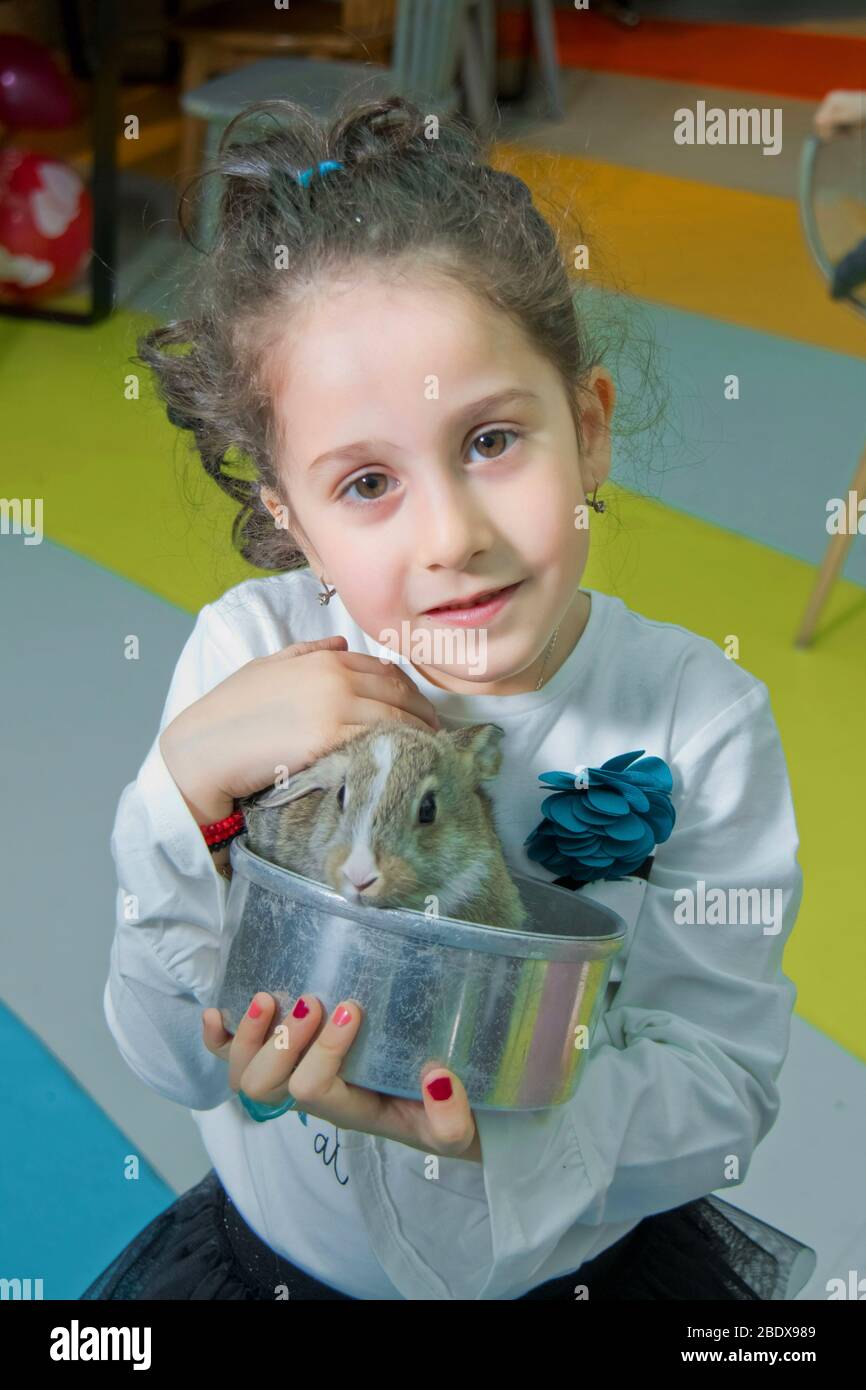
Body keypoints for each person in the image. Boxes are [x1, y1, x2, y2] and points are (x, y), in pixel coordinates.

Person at [81, 95, 805, 1301]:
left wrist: (498, 1127)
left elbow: (722, 1086)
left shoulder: (699, 720)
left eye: (488, 442)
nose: (450, 537)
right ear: (285, 514)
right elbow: (172, 1060)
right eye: (364, 480)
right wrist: (180, 787)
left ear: (587, 427)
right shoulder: (243, 663)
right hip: (271, 1266)